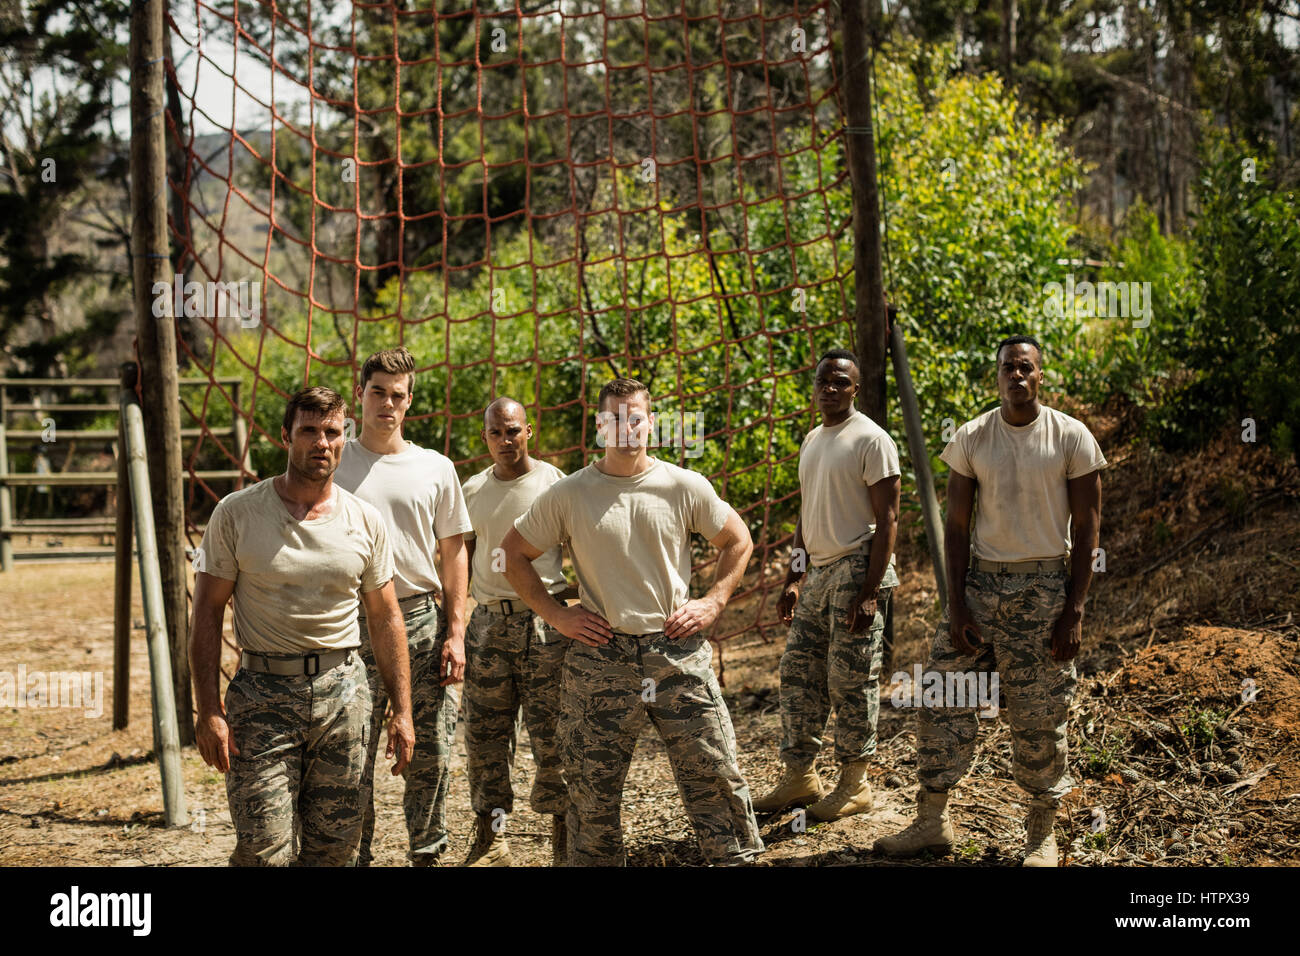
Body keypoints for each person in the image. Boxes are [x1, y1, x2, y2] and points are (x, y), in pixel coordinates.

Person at [500, 378, 764, 866]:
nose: (626, 428)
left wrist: (714, 602)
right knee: (589, 792)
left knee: (715, 773)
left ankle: (734, 859)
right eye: (614, 419)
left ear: (651, 422)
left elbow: (738, 541)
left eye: (635, 417)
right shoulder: (570, 493)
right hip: (601, 655)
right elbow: (513, 554)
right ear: (600, 425)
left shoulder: (683, 485)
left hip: (675, 649)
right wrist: (557, 614)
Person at [874, 334, 1105, 867]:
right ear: (997, 375)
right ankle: (932, 822)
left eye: (1026, 368)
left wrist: (1074, 608)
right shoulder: (973, 437)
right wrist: (956, 604)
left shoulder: (1071, 438)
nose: (1016, 376)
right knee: (942, 695)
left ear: (1040, 375)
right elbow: (956, 527)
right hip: (979, 589)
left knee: (1038, 714)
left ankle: (1040, 836)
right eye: (1008, 368)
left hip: (1044, 591)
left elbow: (1090, 528)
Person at [190, 386, 414, 866]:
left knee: (334, 850)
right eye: (308, 430)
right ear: (285, 436)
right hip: (261, 699)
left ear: (344, 437)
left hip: (344, 698)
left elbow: (385, 615)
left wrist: (403, 709)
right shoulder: (237, 513)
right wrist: (208, 709)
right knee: (263, 849)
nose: (322, 442)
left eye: (332, 432)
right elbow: (207, 612)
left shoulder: (365, 520)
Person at [333, 347, 472, 866]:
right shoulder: (334, 459)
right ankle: (353, 857)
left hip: (419, 621)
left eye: (397, 395)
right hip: (348, 625)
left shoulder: (435, 468)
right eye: (377, 393)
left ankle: (428, 855)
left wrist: (455, 630)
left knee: (431, 752)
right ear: (359, 395)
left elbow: (454, 549)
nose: (386, 404)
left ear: (409, 401)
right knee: (349, 757)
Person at [753, 348, 901, 822]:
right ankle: (800, 776)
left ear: (855, 388)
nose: (831, 388)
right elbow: (806, 514)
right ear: (814, 387)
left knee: (851, 680)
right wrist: (794, 578)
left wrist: (871, 591)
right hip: (818, 573)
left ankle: (855, 784)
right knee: (798, 675)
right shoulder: (813, 438)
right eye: (824, 381)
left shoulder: (872, 439)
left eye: (841, 382)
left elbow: (889, 517)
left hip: (858, 569)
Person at [459, 397, 577, 866]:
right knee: (486, 737)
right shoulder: (470, 491)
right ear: (485, 437)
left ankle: (565, 837)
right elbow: (459, 556)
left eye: (512, 431)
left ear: (530, 430)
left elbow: (581, 548)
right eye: (495, 433)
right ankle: (494, 839)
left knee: (554, 736)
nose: (505, 440)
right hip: (488, 624)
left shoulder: (555, 484)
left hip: (546, 623)